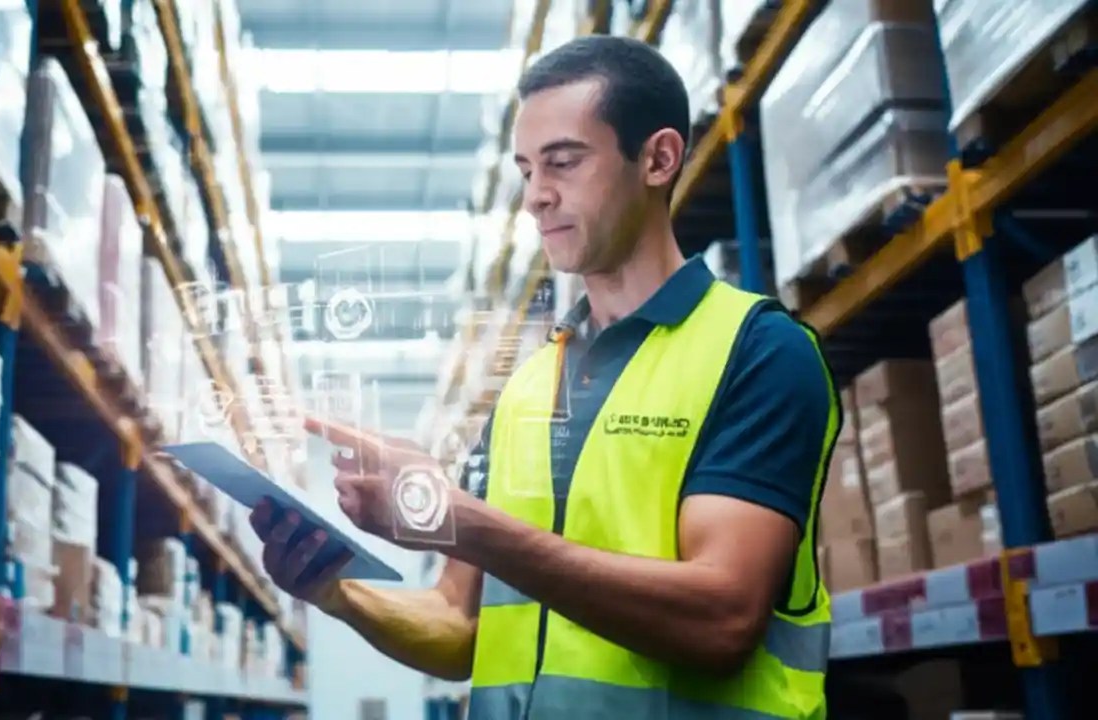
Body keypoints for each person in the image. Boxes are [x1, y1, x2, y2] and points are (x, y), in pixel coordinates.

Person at [251, 35, 840, 720]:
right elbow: (461, 625)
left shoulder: (759, 352)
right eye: (526, 170)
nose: (535, 197)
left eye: (563, 162)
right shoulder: (530, 389)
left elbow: (722, 620)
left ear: (658, 158)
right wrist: (335, 594)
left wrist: (460, 521)